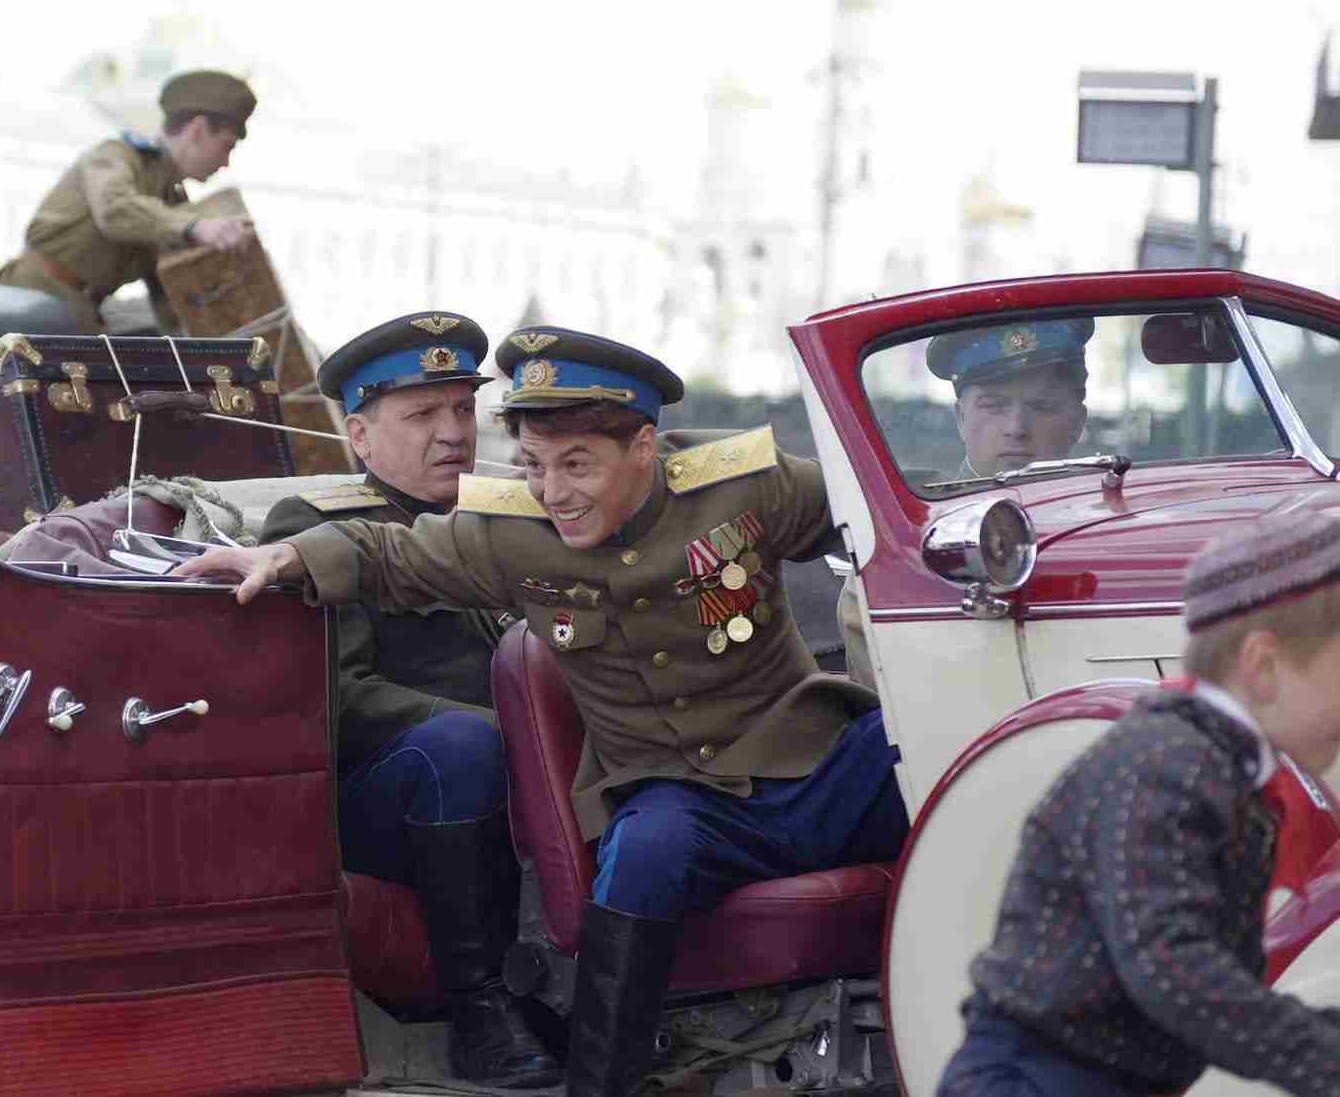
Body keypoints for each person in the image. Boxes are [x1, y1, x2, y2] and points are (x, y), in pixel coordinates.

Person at [177, 327, 906, 1097]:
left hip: (815, 763)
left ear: (645, 446)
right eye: (533, 465)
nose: (554, 492)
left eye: (577, 464)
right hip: (683, 799)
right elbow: (390, 555)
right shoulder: (514, 530)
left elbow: (879, 520)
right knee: (640, 856)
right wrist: (281, 557)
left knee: (933, 750)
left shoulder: (740, 483)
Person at [258, 311, 558, 1089]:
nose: (452, 433)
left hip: (513, 788)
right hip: (387, 798)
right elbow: (338, 700)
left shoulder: (505, 519)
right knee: (462, 748)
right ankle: (480, 1015)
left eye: (463, 408)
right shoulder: (316, 528)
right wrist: (506, 737)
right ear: (358, 437)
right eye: (422, 414)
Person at [939, 516, 1340, 1096]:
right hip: (1038, 1080)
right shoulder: (1166, 764)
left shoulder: (1218, 768)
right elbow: (1171, 967)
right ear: (1264, 667)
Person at [0, 69, 259, 332]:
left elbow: (168, 289)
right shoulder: (116, 156)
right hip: (34, 300)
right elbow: (115, 210)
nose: (225, 162)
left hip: (79, 311)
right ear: (197, 130)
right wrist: (196, 227)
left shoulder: (173, 204)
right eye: (227, 146)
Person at [926, 319, 1092, 478]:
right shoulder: (918, 506)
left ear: (1077, 422)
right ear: (961, 418)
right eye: (992, 406)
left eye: (1042, 406)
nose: (1016, 429)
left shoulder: (1109, 505)